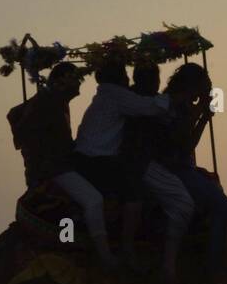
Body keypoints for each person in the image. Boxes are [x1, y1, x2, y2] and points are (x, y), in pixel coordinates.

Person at [6, 63, 119, 271]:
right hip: (53, 169)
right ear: (62, 81)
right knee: (93, 200)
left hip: (61, 164)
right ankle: (104, 254)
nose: (79, 84)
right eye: (75, 79)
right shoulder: (47, 103)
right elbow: (19, 118)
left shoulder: (55, 102)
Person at [72, 60, 171, 272]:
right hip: (97, 160)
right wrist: (170, 98)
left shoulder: (106, 96)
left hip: (90, 157)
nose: (128, 79)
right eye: (125, 74)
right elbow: (151, 108)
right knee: (136, 194)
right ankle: (127, 249)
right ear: (119, 77)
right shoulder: (117, 95)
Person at [154, 63, 227, 284]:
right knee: (222, 208)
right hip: (174, 168)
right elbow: (186, 144)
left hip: (180, 166)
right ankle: (213, 266)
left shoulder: (178, 105)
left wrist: (200, 113)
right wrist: (203, 118)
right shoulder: (176, 108)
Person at [122, 63, 195, 284]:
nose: (156, 84)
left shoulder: (155, 102)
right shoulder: (142, 103)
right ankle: (168, 268)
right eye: (153, 78)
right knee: (184, 204)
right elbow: (181, 143)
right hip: (140, 162)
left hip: (153, 162)